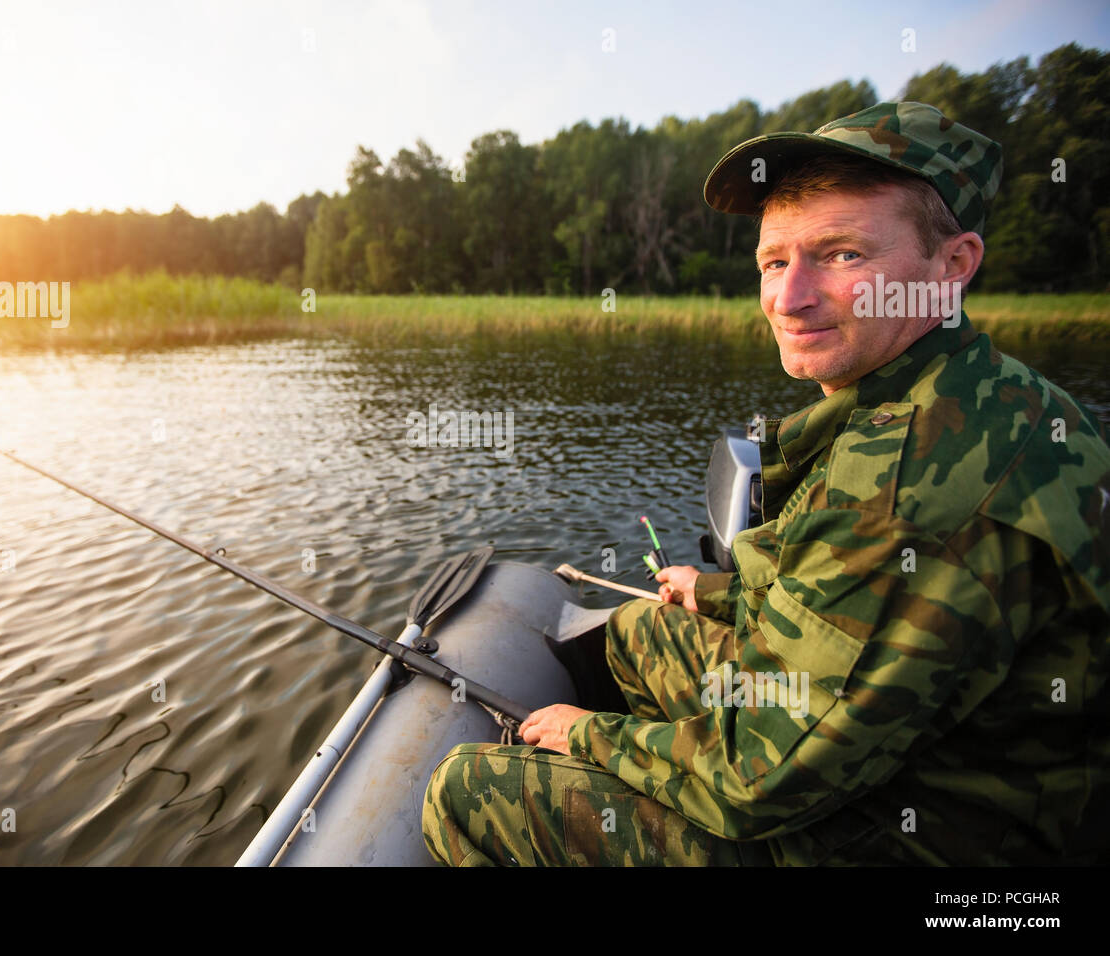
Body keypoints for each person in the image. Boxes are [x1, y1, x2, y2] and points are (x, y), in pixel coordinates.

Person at [420, 101, 1110, 866]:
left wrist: (590, 736)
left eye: (843, 255)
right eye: (775, 261)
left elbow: (754, 782)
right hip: (904, 757)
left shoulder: (910, 482)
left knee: (464, 789)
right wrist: (714, 592)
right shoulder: (958, 392)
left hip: (926, 836)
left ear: (952, 266)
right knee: (635, 636)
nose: (789, 297)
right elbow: (840, 602)